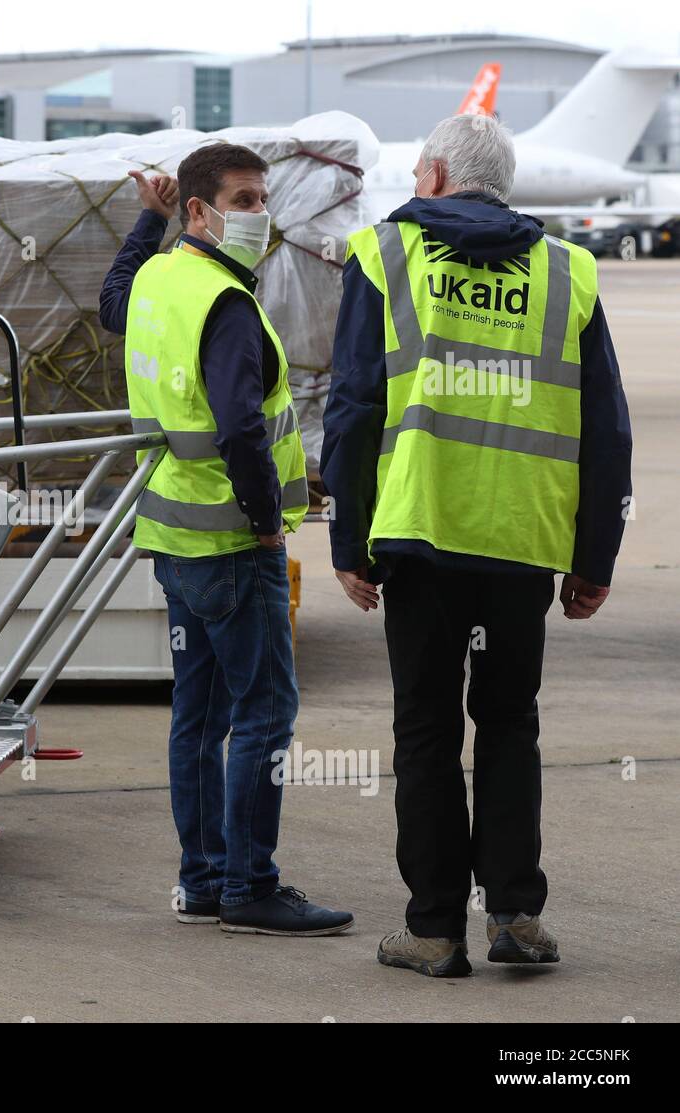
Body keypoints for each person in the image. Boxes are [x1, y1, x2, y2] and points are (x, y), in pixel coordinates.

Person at [321, 114, 632, 976]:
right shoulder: (568, 270)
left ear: (433, 175)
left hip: (420, 538)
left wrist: (349, 536)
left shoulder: (386, 254)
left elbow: (353, 406)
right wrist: (594, 554)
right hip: (521, 541)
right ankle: (516, 918)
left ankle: (432, 929)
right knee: (507, 726)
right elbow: (607, 427)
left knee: (424, 732)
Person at [100, 144, 353, 936]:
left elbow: (112, 298)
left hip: (173, 542)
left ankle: (204, 880)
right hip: (235, 548)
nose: (260, 215)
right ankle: (250, 885)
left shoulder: (158, 281)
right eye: (243, 200)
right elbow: (242, 424)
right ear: (201, 213)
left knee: (199, 717)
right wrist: (266, 520)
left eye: (262, 199)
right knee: (265, 712)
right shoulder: (228, 306)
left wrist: (147, 218)